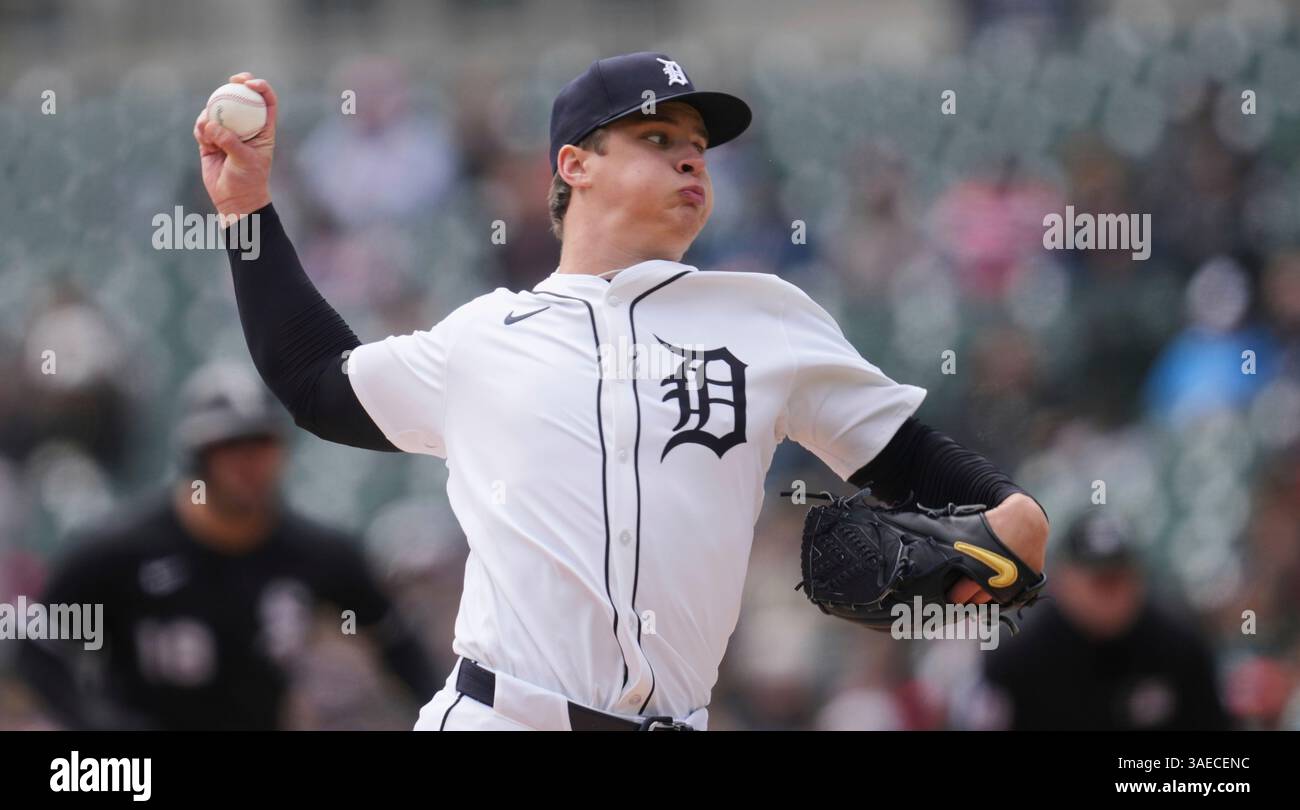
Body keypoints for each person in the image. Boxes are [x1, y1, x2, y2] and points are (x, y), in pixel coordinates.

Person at [194, 52, 1049, 731]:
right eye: (656, 136)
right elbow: (314, 379)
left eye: (698, 145)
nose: (690, 153)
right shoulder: (484, 337)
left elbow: (906, 456)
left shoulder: (765, 315)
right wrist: (247, 210)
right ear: (575, 164)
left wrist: (1011, 510)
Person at [16, 361, 437, 730]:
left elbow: (398, 644)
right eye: (230, 448)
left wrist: (440, 718)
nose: (249, 464)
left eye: (261, 444)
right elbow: (38, 644)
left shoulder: (316, 555)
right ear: (197, 456)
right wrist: (97, 724)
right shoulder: (121, 551)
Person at [970, 509, 1230, 730]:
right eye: (1100, 583)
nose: (1114, 595)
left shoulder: (1178, 647)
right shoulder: (1016, 659)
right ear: (1064, 581)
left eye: (1122, 578)